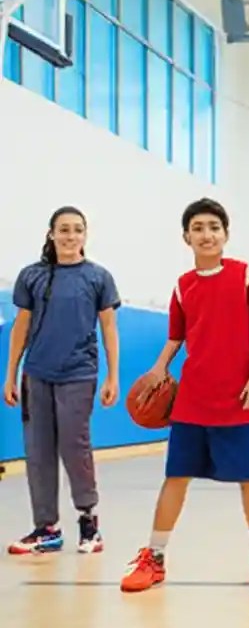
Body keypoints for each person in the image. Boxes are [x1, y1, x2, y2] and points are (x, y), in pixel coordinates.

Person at [120, 198, 249, 592]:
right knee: (176, 476)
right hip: (193, 398)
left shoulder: (247, 276)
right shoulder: (183, 285)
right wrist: (159, 368)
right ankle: (154, 557)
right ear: (186, 237)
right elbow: (177, 336)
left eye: (214, 227)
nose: (206, 234)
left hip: (240, 396)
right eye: (198, 228)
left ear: (225, 234)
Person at [3, 206, 120, 555]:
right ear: (51, 233)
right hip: (36, 374)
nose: (71, 236)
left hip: (78, 374)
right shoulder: (32, 276)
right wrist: (10, 373)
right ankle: (46, 529)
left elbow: (109, 328)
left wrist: (112, 376)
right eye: (64, 230)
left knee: (74, 447)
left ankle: (89, 523)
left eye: (77, 230)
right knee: (38, 453)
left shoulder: (98, 277)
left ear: (85, 236)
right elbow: (20, 327)